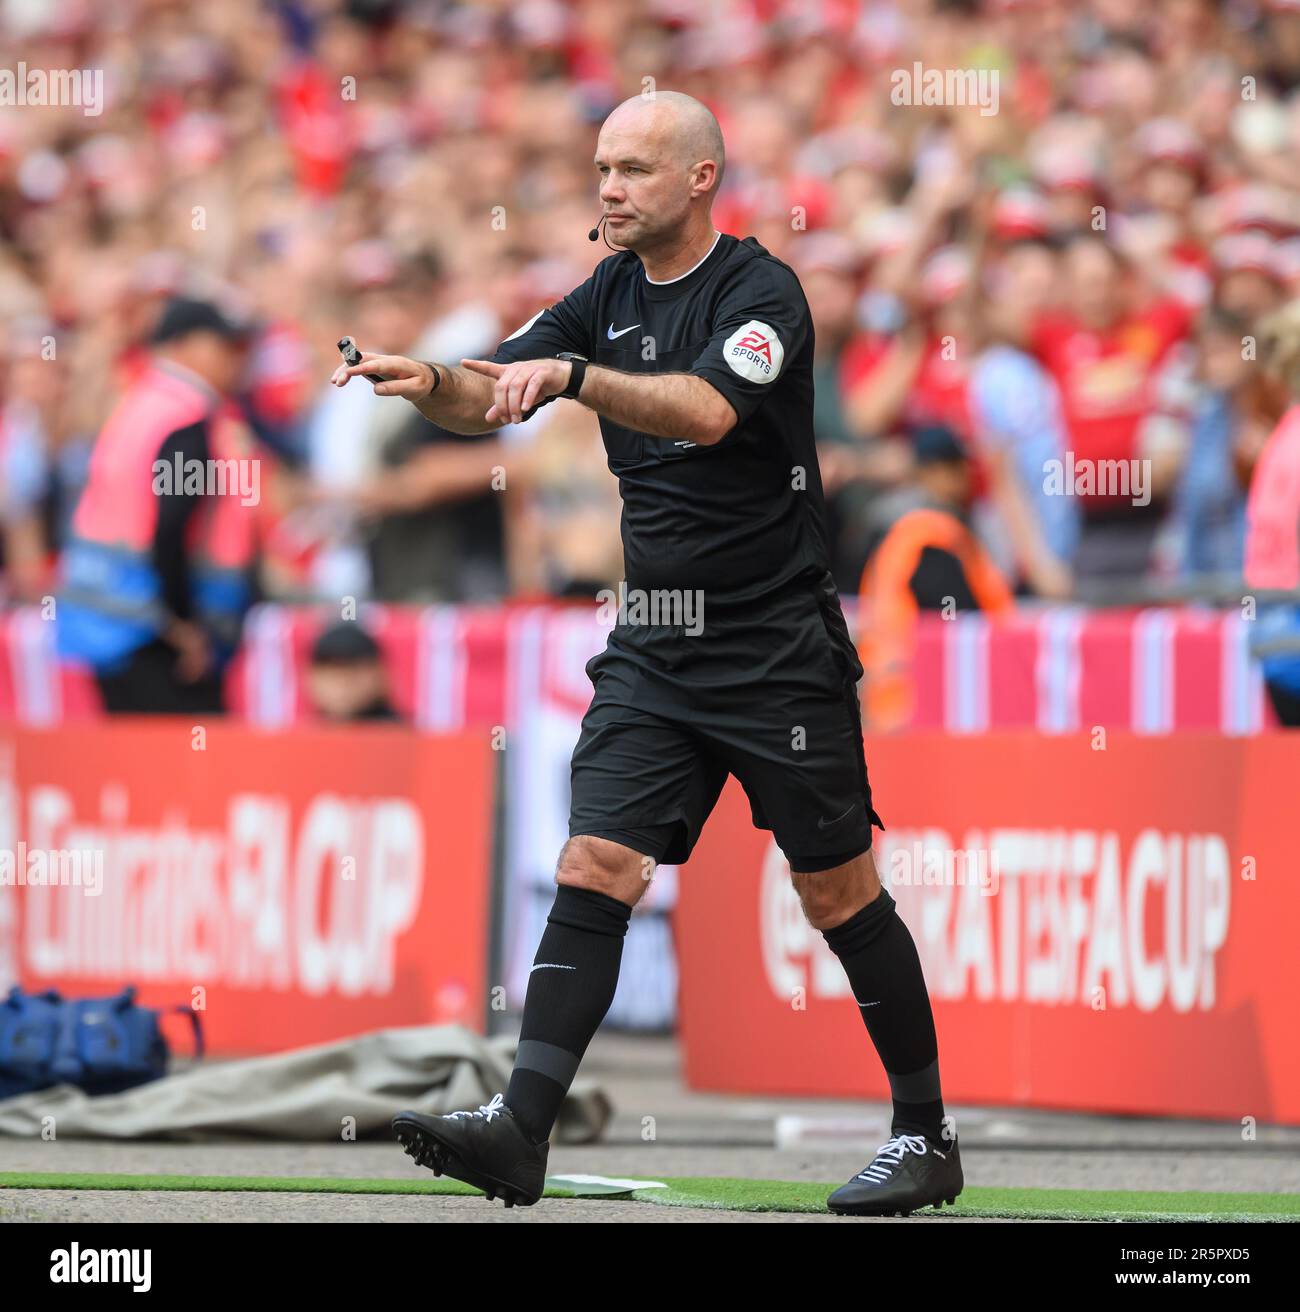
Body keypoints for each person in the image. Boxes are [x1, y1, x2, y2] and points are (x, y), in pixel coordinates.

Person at [335, 90, 962, 1216]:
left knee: (836, 892)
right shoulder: (604, 289)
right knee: (595, 864)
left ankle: (924, 1135)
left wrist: (574, 379)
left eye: (630, 168)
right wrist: (428, 381)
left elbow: (706, 411)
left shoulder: (761, 292)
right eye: (600, 167)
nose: (608, 187)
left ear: (698, 178)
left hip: (775, 644)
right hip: (656, 642)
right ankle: (522, 1127)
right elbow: (495, 391)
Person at [56, 297, 258, 714]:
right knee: (187, 770)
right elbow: (171, 527)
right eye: (223, 344)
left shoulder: (141, 403)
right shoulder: (185, 416)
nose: (235, 357)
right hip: (157, 635)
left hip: (114, 619)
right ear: (183, 346)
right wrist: (185, 626)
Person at [305, 620, 402, 723]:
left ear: (381, 675)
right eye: (333, 674)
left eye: (354, 672)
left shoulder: (404, 735)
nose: (343, 683)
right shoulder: (301, 733)